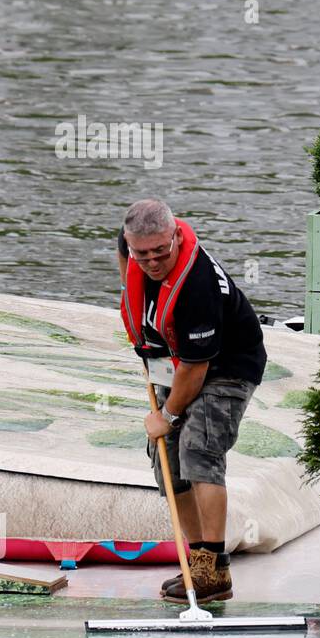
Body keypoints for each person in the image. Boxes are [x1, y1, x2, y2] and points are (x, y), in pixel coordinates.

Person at [118, 199, 267, 600]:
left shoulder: (197, 287)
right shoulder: (132, 246)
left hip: (227, 365)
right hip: (176, 359)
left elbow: (197, 370)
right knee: (166, 456)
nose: (151, 262)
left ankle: (214, 571)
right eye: (141, 254)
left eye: (159, 253)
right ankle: (196, 559)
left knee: (198, 449)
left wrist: (168, 414)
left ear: (175, 237)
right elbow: (125, 262)